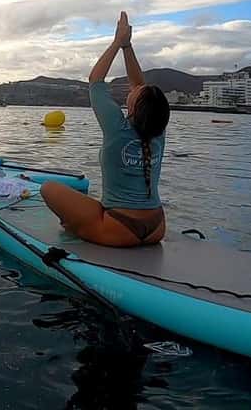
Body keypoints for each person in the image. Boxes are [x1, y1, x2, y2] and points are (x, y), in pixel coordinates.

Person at [41, 12, 170, 247]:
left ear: (133, 108)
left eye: (134, 93)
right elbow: (140, 85)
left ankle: (79, 226)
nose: (133, 89)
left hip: (120, 228)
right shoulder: (159, 129)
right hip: (156, 226)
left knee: (49, 188)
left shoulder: (117, 127)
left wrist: (117, 43)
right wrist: (128, 46)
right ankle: (86, 224)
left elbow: (96, 81)